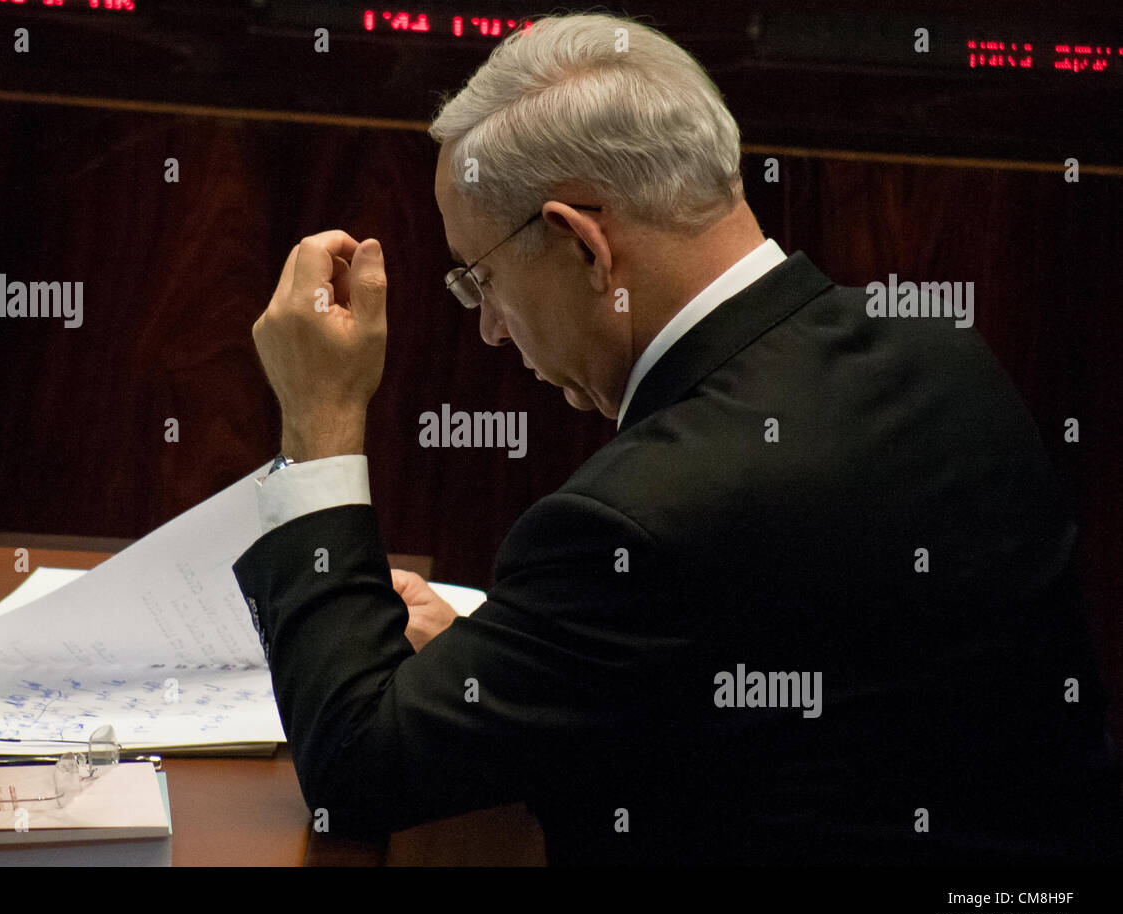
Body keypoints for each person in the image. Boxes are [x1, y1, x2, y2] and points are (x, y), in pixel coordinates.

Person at [233, 13, 1122, 864]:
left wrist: (321, 417)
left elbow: (355, 770)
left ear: (581, 246)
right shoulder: (948, 360)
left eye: (481, 282)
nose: (492, 332)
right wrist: (497, 656)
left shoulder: (637, 517)